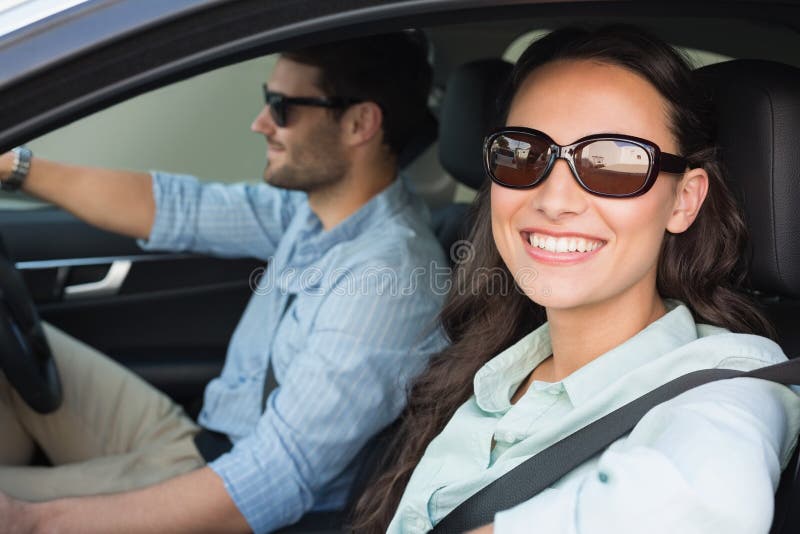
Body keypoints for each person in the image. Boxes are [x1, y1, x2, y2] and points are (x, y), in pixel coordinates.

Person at [353, 26, 800, 534]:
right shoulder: (489, 368)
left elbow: (700, 506)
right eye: (523, 153)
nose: (554, 200)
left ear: (684, 200)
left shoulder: (730, 378)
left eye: (614, 163)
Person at [0, 31, 447, 533]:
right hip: (197, 435)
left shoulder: (386, 283)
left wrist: (31, 522)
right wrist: (14, 166)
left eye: (282, 108)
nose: (260, 123)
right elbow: (178, 208)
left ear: (360, 123)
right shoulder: (317, 212)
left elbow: (274, 476)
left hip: (216, 481)